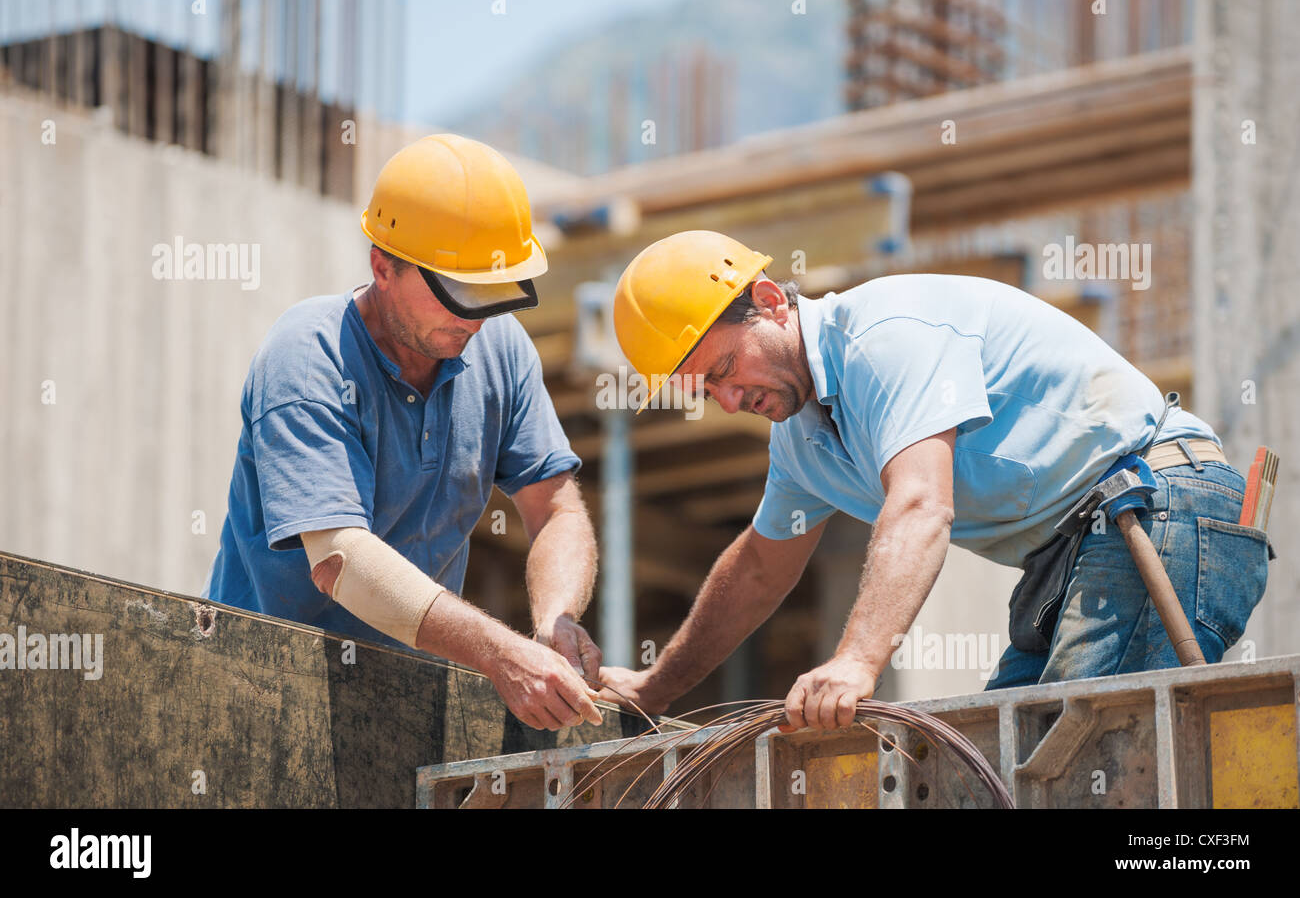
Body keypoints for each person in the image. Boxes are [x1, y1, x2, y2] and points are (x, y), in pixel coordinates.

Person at [597, 229, 1270, 730]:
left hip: (1163, 505)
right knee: (994, 767)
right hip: (1080, 551)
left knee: (1080, 758)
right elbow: (758, 572)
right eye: (705, 389)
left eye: (723, 369)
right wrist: (654, 690)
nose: (727, 399)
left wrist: (857, 661)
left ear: (771, 302)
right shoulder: (802, 441)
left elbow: (921, 505)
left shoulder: (886, 336)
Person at [203, 134, 603, 732]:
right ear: (382, 267)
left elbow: (557, 511)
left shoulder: (501, 349)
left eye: (490, 293)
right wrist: (500, 653)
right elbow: (340, 560)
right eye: (456, 293)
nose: (474, 317)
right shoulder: (309, 356)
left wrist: (555, 622)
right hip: (259, 693)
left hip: (406, 704)